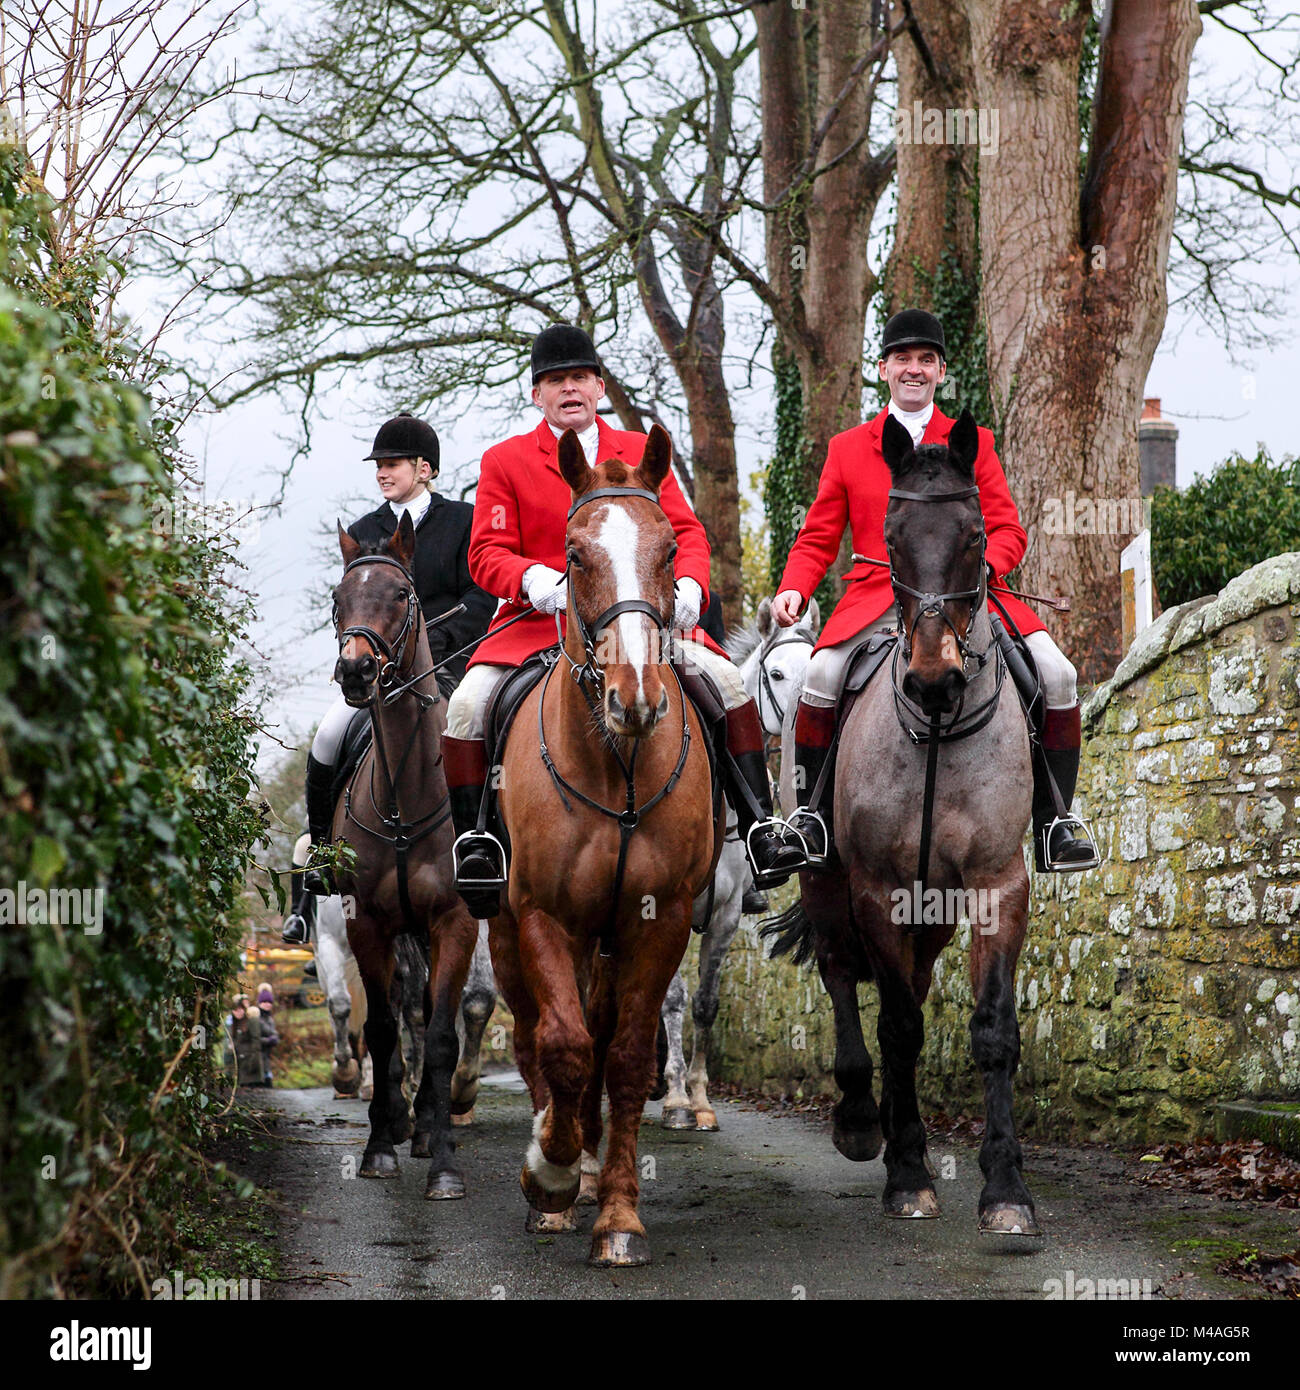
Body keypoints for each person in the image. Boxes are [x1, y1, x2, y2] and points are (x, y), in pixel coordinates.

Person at [442, 323, 808, 918]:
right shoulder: (505, 461)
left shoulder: (641, 451)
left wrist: (689, 583)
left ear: (598, 386)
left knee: (729, 683)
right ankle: (478, 842)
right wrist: (535, 582)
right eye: (555, 381)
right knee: (464, 707)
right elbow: (486, 551)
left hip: (642, 626)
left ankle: (759, 826)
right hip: (539, 626)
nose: (569, 389)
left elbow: (686, 534)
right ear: (536, 394)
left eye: (579, 378)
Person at [772, 308, 1098, 873]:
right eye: (903, 359)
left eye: (926, 360)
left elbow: (1009, 530)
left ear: (941, 372)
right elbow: (818, 536)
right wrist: (794, 588)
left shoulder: (974, 443)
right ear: (884, 369)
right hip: (880, 594)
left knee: (1058, 674)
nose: (914, 369)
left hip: (965, 597)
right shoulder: (850, 448)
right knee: (820, 675)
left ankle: (1055, 821)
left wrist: (984, 569)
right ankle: (811, 819)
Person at [284, 413, 496, 941]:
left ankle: (496, 847)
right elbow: (354, 604)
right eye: (378, 464)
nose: (382, 472)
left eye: (392, 463)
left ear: (425, 468)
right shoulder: (363, 533)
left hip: (452, 662)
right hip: (378, 674)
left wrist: (438, 641)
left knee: (495, 730)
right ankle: (322, 857)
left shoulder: (464, 523)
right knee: (329, 739)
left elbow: (481, 594)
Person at [225, 995, 265, 1089]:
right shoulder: (233, 1023)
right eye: (236, 1010)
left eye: (240, 1010)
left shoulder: (251, 1021)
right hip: (240, 1059)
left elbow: (256, 1039)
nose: (238, 1013)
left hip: (249, 1059)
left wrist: (253, 1059)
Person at [256, 983, 279, 1087]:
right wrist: (267, 1040)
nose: (267, 1004)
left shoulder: (269, 1018)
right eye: (264, 1002)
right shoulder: (256, 1018)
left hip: (267, 1056)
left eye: (269, 1002)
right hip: (256, 1056)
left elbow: (274, 1032)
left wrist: (275, 1039)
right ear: (259, 1003)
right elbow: (253, 1038)